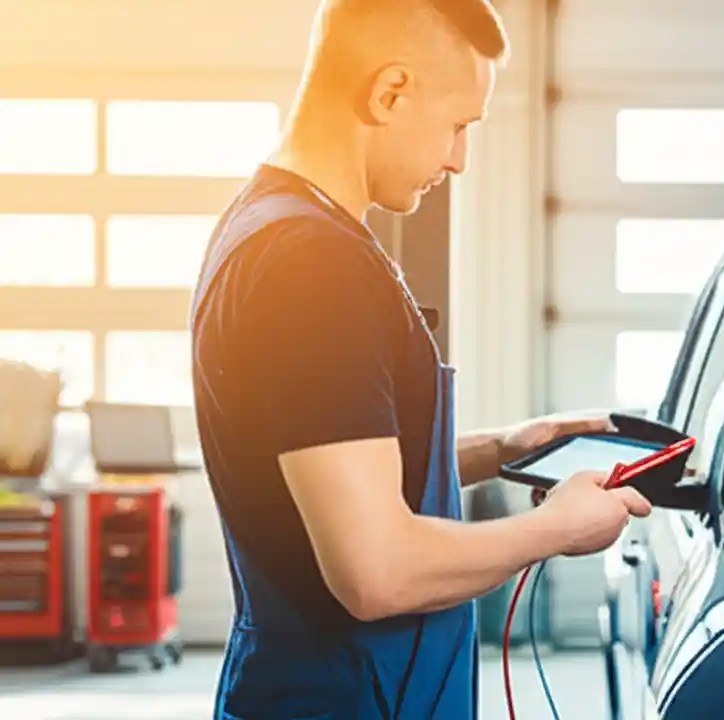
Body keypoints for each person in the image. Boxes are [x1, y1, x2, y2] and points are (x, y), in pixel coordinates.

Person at [188, 1, 653, 718]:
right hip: (343, 699)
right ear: (389, 91)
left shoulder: (271, 227)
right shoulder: (313, 267)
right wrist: (557, 528)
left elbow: (334, 455)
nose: (459, 158)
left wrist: (503, 449)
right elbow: (376, 572)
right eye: (459, 124)